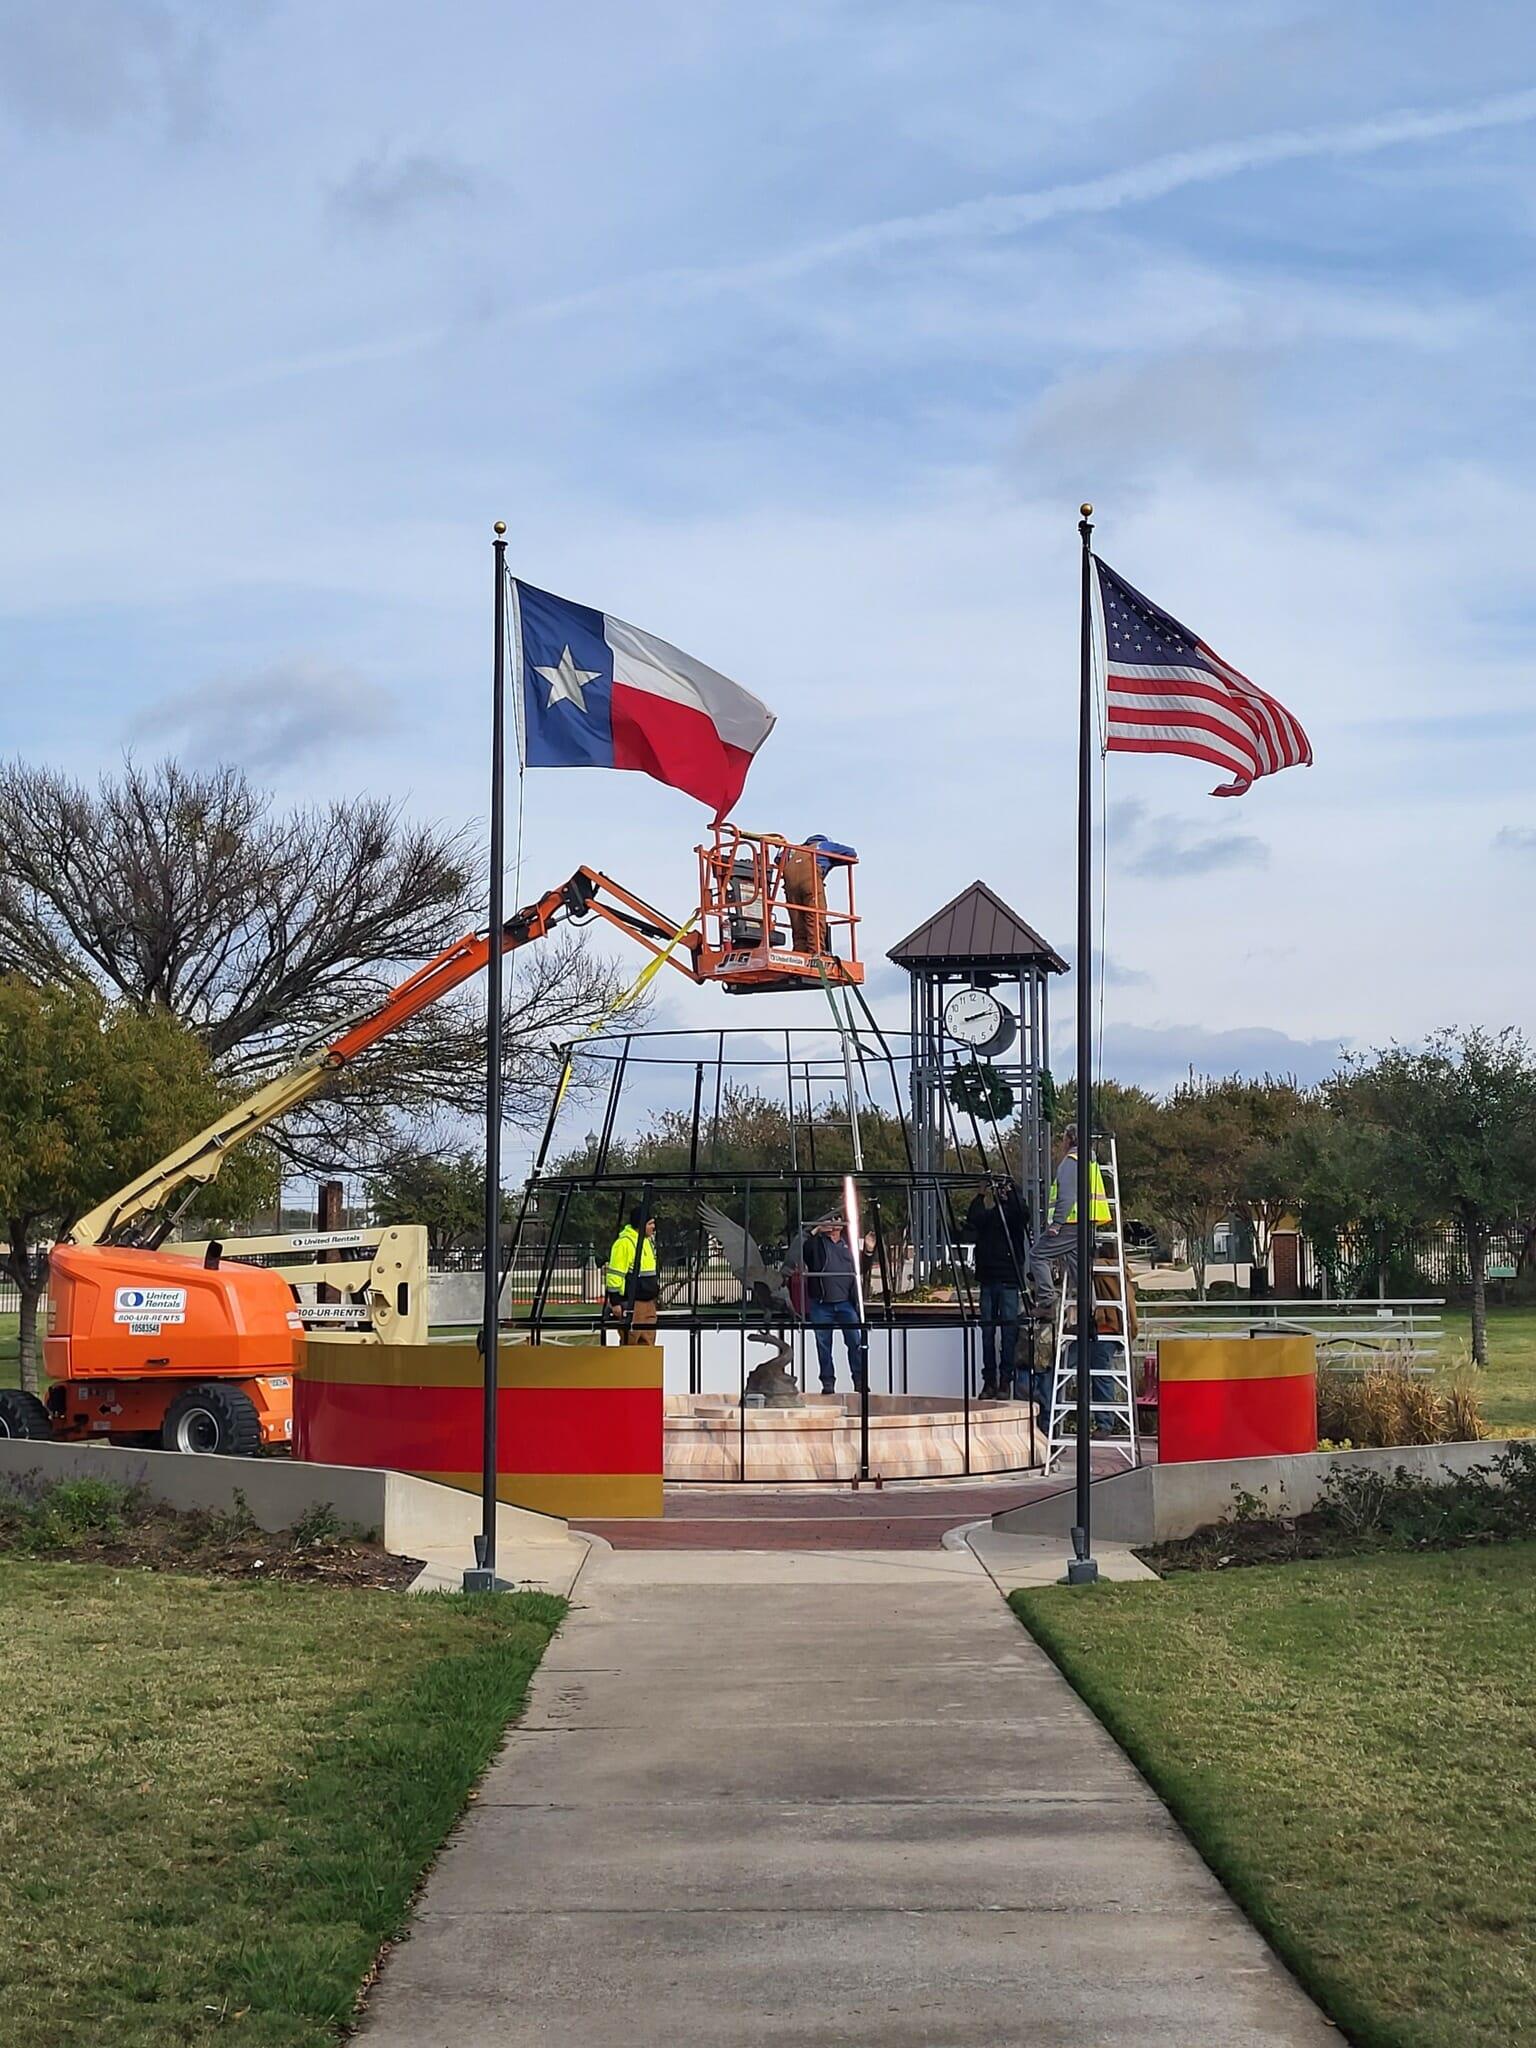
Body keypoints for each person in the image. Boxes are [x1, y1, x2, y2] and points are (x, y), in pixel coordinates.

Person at [1029, 1124, 1109, 1313]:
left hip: (1071, 1222)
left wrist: (1057, 1223)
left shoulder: (1071, 1162)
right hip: (1086, 1221)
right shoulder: (1089, 1160)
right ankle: (1091, 1314)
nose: (1062, 1142)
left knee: (1037, 1255)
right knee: (1079, 1269)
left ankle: (1047, 1301)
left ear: (1070, 1139)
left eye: (1064, 1138)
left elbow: (1067, 1196)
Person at [964, 1176, 1031, 1399]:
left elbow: (1022, 1213)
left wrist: (1011, 1192)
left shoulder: (1014, 1217)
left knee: (1008, 1333)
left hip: (1008, 1280)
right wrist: (981, 1194)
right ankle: (990, 1380)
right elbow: (974, 1219)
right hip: (989, 1280)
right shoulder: (991, 1217)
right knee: (988, 1333)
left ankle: (1005, 1380)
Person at [801, 1212, 868, 1394]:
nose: (832, 1224)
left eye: (836, 1220)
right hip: (822, 1304)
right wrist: (816, 1230)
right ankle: (827, 1381)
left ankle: (859, 1380)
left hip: (846, 1303)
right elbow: (803, 1250)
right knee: (823, 1345)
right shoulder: (817, 1244)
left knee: (855, 1342)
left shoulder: (848, 1244)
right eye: (829, 1220)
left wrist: (869, 1251)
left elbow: (861, 1267)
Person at [604, 1205, 660, 1345]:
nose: (653, 1227)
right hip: (632, 1304)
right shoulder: (624, 1244)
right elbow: (615, 1275)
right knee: (631, 1342)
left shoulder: (647, 1242)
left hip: (648, 1303)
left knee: (648, 1343)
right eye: (650, 1223)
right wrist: (615, 1302)